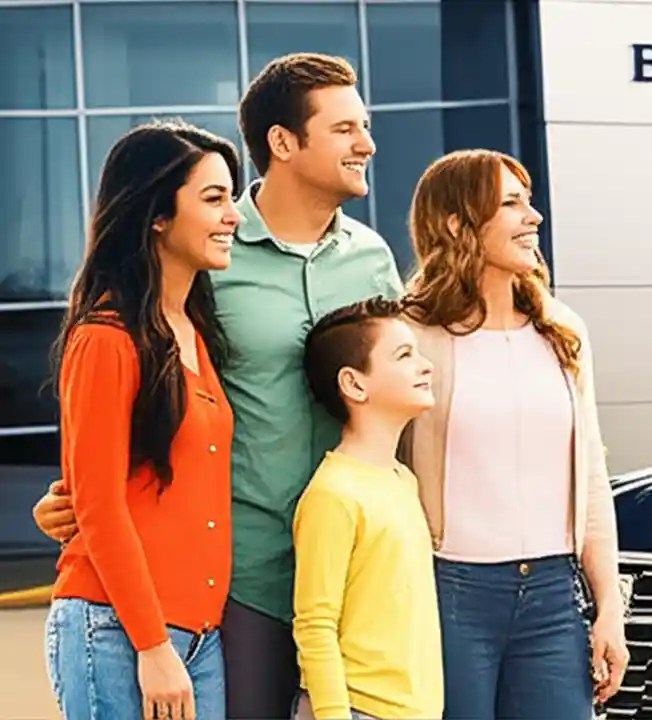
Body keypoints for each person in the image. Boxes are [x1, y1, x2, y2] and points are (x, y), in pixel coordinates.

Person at [33, 52, 405, 718]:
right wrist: (81, 505)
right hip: (232, 593)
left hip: (343, 580)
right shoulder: (166, 301)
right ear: (283, 143)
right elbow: (107, 479)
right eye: (345, 128)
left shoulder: (200, 321)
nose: (367, 145)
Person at [397, 149, 628, 719]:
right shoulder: (410, 335)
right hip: (449, 594)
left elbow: (592, 478)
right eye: (511, 203)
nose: (534, 217)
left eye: (529, 201)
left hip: (554, 597)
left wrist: (610, 609)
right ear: (457, 224)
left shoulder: (563, 332)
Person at [43, 120, 242, 720]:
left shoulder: (194, 334)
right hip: (119, 630)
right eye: (213, 198)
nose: (233, 214)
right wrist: (153, 646)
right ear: (157, 215)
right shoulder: (106, 339)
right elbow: (99, 506)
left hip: (200, 635)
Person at [291, 297, 443, 720]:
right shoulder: (333, 494)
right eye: (404, 355)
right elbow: (314, 624)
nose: (425, 365)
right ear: (354, 384)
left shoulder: (403, 481)